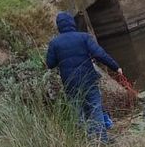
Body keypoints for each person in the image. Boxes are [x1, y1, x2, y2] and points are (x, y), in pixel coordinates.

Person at [45, 11, 122, 140]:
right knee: (95, 109)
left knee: (78, 113)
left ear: (59, 26)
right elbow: (100, 54)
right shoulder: (84, 37)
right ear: (72, 23)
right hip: (89, 81)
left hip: (70, 84)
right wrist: (115, 67)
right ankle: (102, 140)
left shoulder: (54, 43)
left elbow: (50, 64)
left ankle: (87, 141)